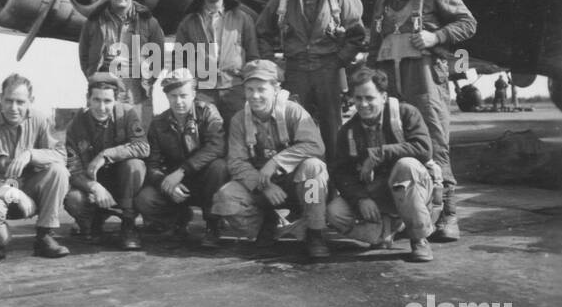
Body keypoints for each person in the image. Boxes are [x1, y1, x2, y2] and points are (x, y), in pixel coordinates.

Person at [368, 0, 477, 242]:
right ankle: (410, 214)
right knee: (396, 142)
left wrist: (435, 36)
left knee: (434, 143)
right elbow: (375, 45)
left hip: (426, 79)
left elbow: (468, 23)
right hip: (391, 80)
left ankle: (449, 216)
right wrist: (368, 82)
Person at [255, 0, 366, 163]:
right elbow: (262, 31)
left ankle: (335, 179)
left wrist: (339, 61)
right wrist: (273, 68)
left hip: (328, 69)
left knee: (332, 129)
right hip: (295, 71)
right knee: (294, 127)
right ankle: (300, 176)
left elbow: (357, 34)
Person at [212, 60, 331, 261]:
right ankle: (268, 227)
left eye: (261, 89)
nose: (255, 95)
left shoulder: (293, 111)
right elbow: (236, 162)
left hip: (296, 185)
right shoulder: (240, 119)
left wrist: (276, 162)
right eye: (249, 89)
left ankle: (314, 231)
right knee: (226, 197)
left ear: (276, 89)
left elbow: (315, 146)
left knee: (313, 168)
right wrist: (263, 185)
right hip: (263, 188)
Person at [327, 68, 441, 263]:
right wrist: (361, 199)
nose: (363, 104)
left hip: (415, 189)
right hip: (378, 191)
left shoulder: (406, 113)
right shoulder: (348, 130)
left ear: (384, 96)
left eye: (370, 98)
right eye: (358, 98)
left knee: (406, 165)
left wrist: (378, 154)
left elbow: (423, 149)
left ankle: (418, 238)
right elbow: (341, 172)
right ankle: (383, 233)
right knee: (335, 213)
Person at [0, 73, 70, 260]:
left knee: (58, 171)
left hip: (32, 194)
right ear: (1, 100)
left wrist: (31, 154)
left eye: (20, 102)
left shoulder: (40, 120)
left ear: (31, 101)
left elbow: (61, 155)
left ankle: (45, 236)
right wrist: (14, 194)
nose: (14, 108)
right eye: (9, 101)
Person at [135, 68, 229, 249]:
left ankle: (213, 224)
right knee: (144, 199)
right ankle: (178, 219)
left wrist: (183, 170)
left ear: (193, 94)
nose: (178, 101)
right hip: (176, 183)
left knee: (219, 167)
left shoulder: (208, 112)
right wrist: (166, 183)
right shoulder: (158, 124)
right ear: (167, 97)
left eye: (183, 95)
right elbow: (152, 164)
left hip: (204, 180)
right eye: (173, 96)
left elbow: (217, 147)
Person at [62, 72, 150, 250]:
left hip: (123, 184)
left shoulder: (127, 114)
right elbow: (74, 170)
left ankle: (128, 223)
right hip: (94, 186)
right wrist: (94, 187)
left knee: (136, 165)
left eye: (108, 101)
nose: (101, 107)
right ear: (88, 99)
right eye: (96, 100)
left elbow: (143, 147)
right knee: (73, 199)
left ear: (116, 100)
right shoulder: (76, 125)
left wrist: (105, 155)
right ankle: (92, 223)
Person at [77, 0, 166, 128]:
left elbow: (158, 59)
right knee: (102, 144)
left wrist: (144, 78)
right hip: (106, 96)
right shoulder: (94, 23)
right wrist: (99, 78)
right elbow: (84, 58)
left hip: (137, 96)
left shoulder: (149, 23)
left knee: (139, 145)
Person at [173, 0, 260, 124]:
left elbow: (253, 56)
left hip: (235, 91)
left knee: (240, 139)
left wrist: (249, 89)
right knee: (208, 139)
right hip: (203, 93)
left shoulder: (243, 19)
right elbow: (179, 61)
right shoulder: (188, 23)